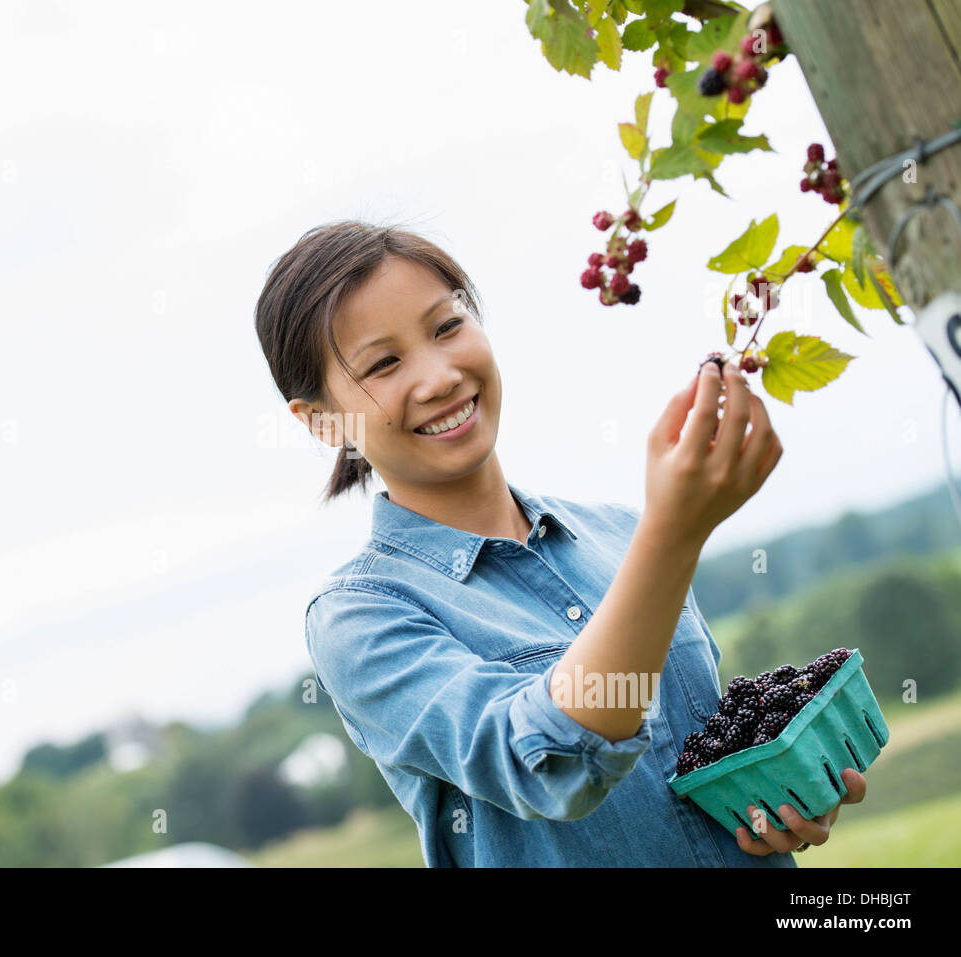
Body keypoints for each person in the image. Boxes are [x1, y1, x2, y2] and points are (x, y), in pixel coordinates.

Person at [253, 219, 867, 867]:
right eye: (383, 363)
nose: (438, 376)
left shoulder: (622, 532)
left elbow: (699, 757)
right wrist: (674, 534)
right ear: (323, 420)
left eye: (447, 326)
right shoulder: (360, 616)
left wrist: (774, 791)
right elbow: (548, 761)